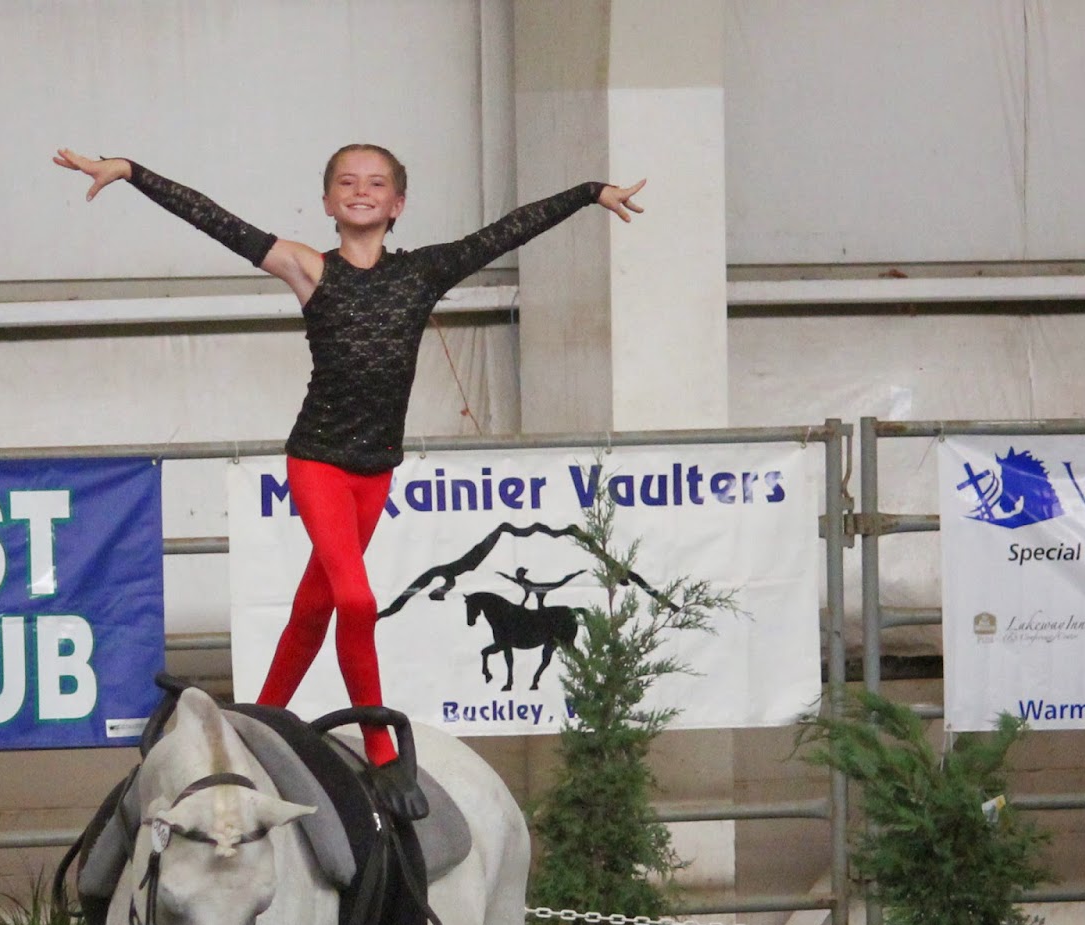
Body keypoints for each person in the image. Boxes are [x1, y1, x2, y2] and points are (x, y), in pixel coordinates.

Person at [53, 143, 645, 816]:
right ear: (329, 201)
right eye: (346, 182)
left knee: (315, 609)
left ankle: (257, 721)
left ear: (397, 205)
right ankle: (383, 752)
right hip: (317, 461)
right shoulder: (308, 268)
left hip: (375, 472)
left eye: (377, 183)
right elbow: (218, 222)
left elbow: (507, 231)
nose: (361, 191)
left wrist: (588, 191)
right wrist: (132, 172)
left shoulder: (424, 272)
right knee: (357, 602)